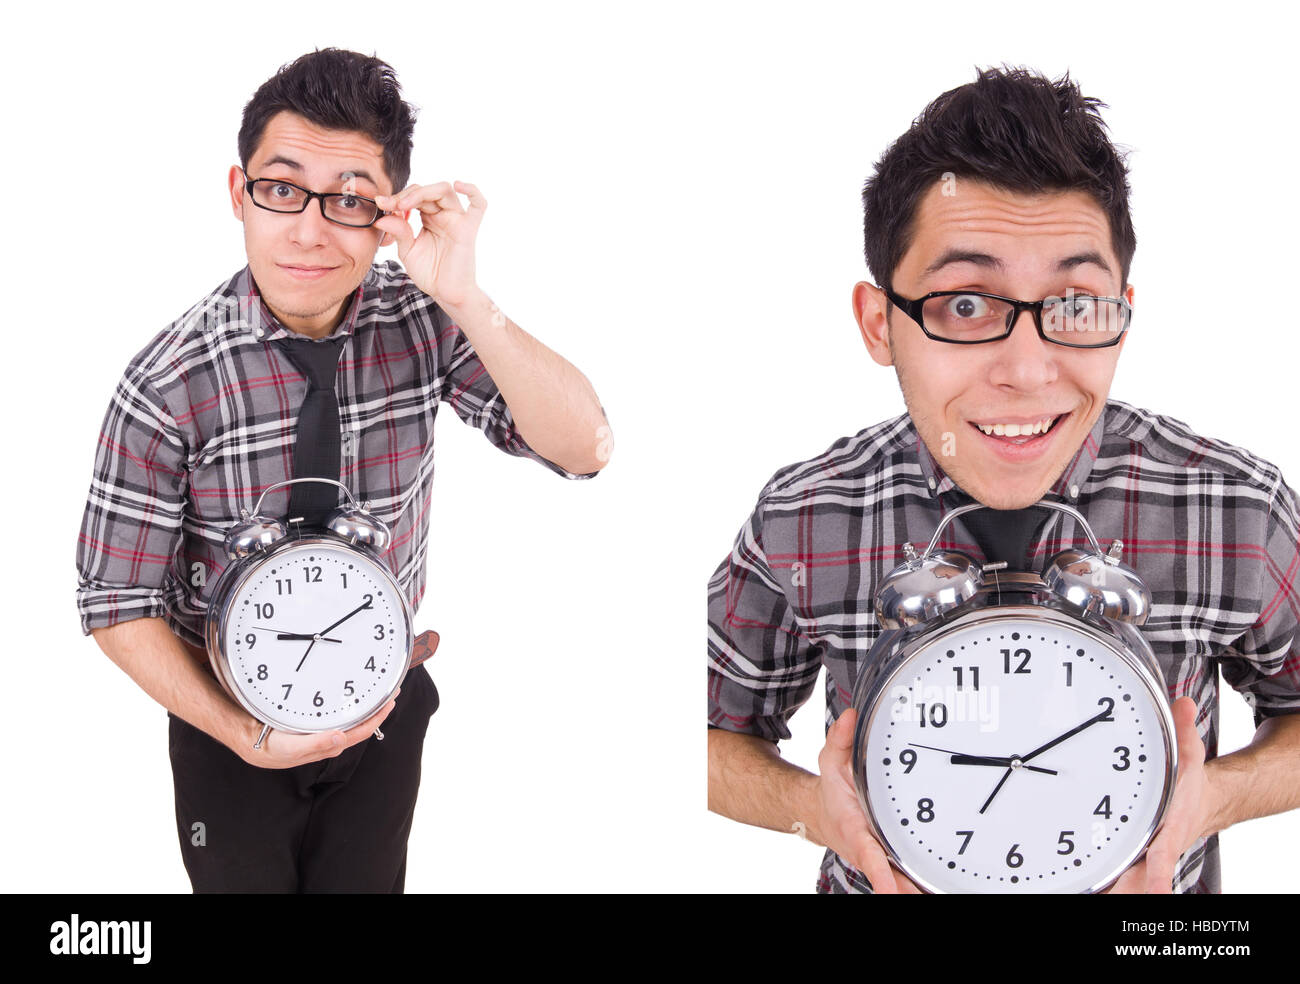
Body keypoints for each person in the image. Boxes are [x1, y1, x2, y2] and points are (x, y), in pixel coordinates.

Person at [706, 65, 1300, 894]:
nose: (1028, 371)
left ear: (1121, 312)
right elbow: (701, 733)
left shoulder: (1234, 507)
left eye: (1076, 305)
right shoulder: (805, 515)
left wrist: (1210, 800)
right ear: (881, 323)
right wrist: (815, 810)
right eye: (964, 305)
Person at [75, 48, 610, 893]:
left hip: (383, 702)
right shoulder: (167, 383)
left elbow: (586, 447)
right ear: (237, 194)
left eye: (349, 200)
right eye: (281, 189)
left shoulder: (421, 318)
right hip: (230, 721)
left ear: (388, 214)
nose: (309, 229)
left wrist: (466, 295)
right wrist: (243, 734)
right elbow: (115, 604)